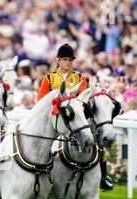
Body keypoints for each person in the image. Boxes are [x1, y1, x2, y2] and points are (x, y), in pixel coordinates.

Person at [38, 43, 113, 191]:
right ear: (58, 60)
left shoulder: (80, 78)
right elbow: (41, 102)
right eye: (65, 59)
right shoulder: (49, 79)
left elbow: (84, 101)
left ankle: (103, 178)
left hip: (75, 120)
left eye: (70, 60)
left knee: (98, 145)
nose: (68, 63)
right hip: (55, 120)